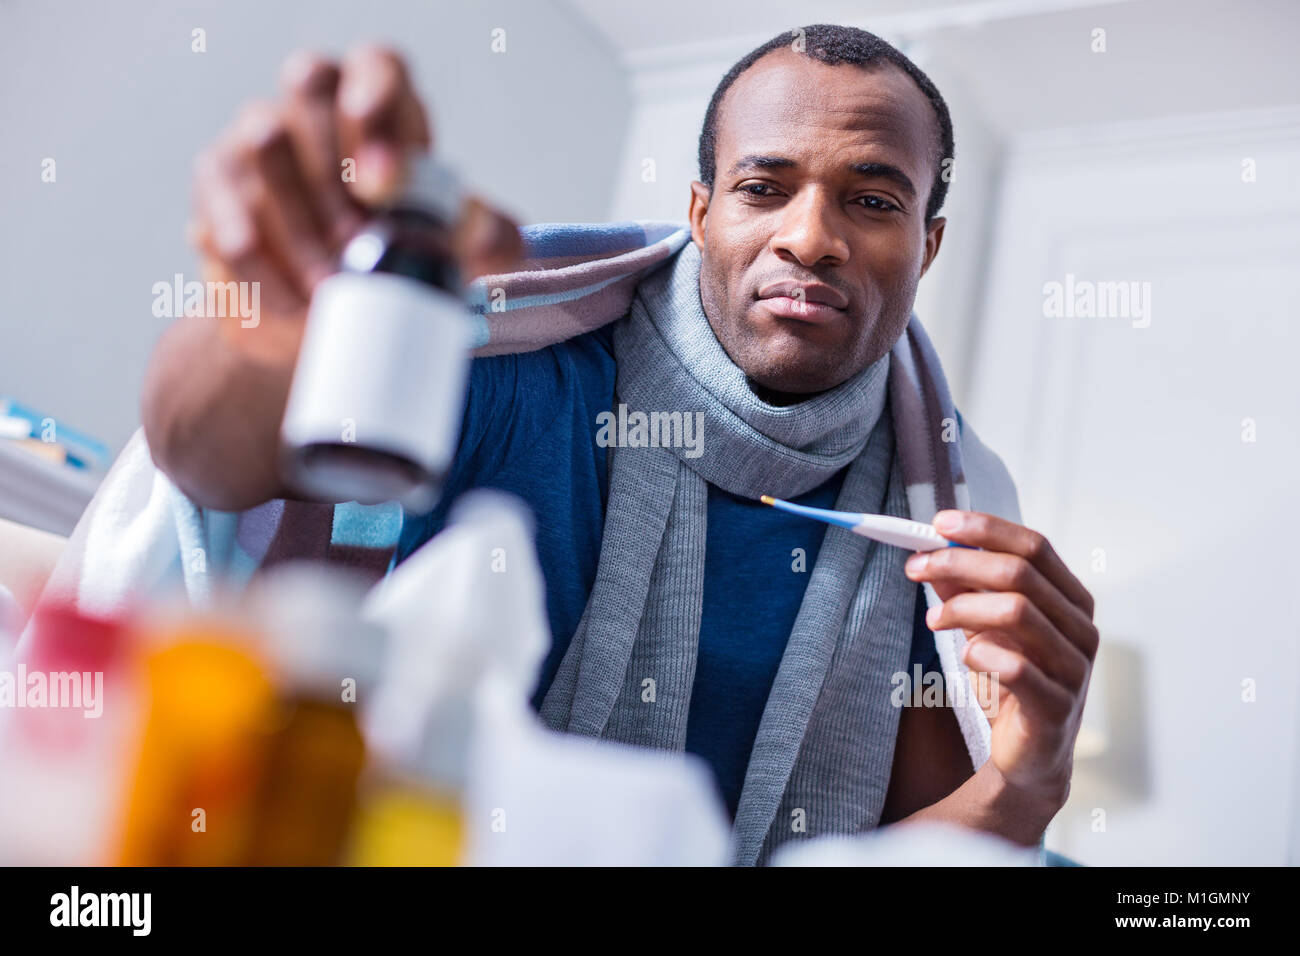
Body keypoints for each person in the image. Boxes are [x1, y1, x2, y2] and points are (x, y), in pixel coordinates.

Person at [142, 24, 1098, 864]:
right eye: (763, 187)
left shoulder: (946, 522)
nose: (810, 238)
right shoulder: (522, 362)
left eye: (875, 202)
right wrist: (273, 331)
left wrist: (1028, 782)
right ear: (700, 212)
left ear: (927, 247)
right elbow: (210, 468)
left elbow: (910, 860)